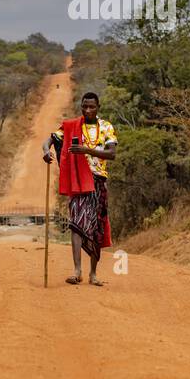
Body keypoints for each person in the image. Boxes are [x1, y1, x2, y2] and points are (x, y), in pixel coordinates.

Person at [44, 92, 117, 286]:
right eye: (84, 106)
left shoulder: (106, 127)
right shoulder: (73, 126)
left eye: (92, 107)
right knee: (76, 223)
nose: (88, 110)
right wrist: (46, 151)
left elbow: (111, 154)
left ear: (98, 107)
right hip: (78, 182)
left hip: (98, 182)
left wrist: (86, 150)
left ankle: (93, 274)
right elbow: (50, 139)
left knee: (97, 228)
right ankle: (77, 271)